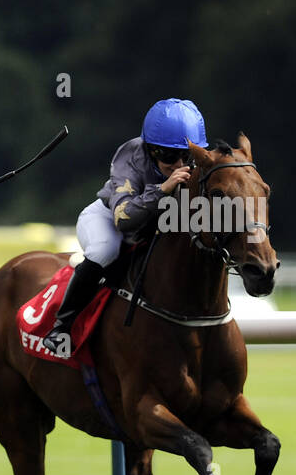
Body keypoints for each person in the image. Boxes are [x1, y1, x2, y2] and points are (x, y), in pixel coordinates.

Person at [40, 98, 206, 354]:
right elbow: (124, 219)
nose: (179, 165)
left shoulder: (195, 166)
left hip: (155, 227)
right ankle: (61, 327)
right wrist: (163, 189)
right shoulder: (131, 155)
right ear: (152, 150)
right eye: (170, 156)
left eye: (187, 156)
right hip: (108, 219)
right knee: (105, 250)